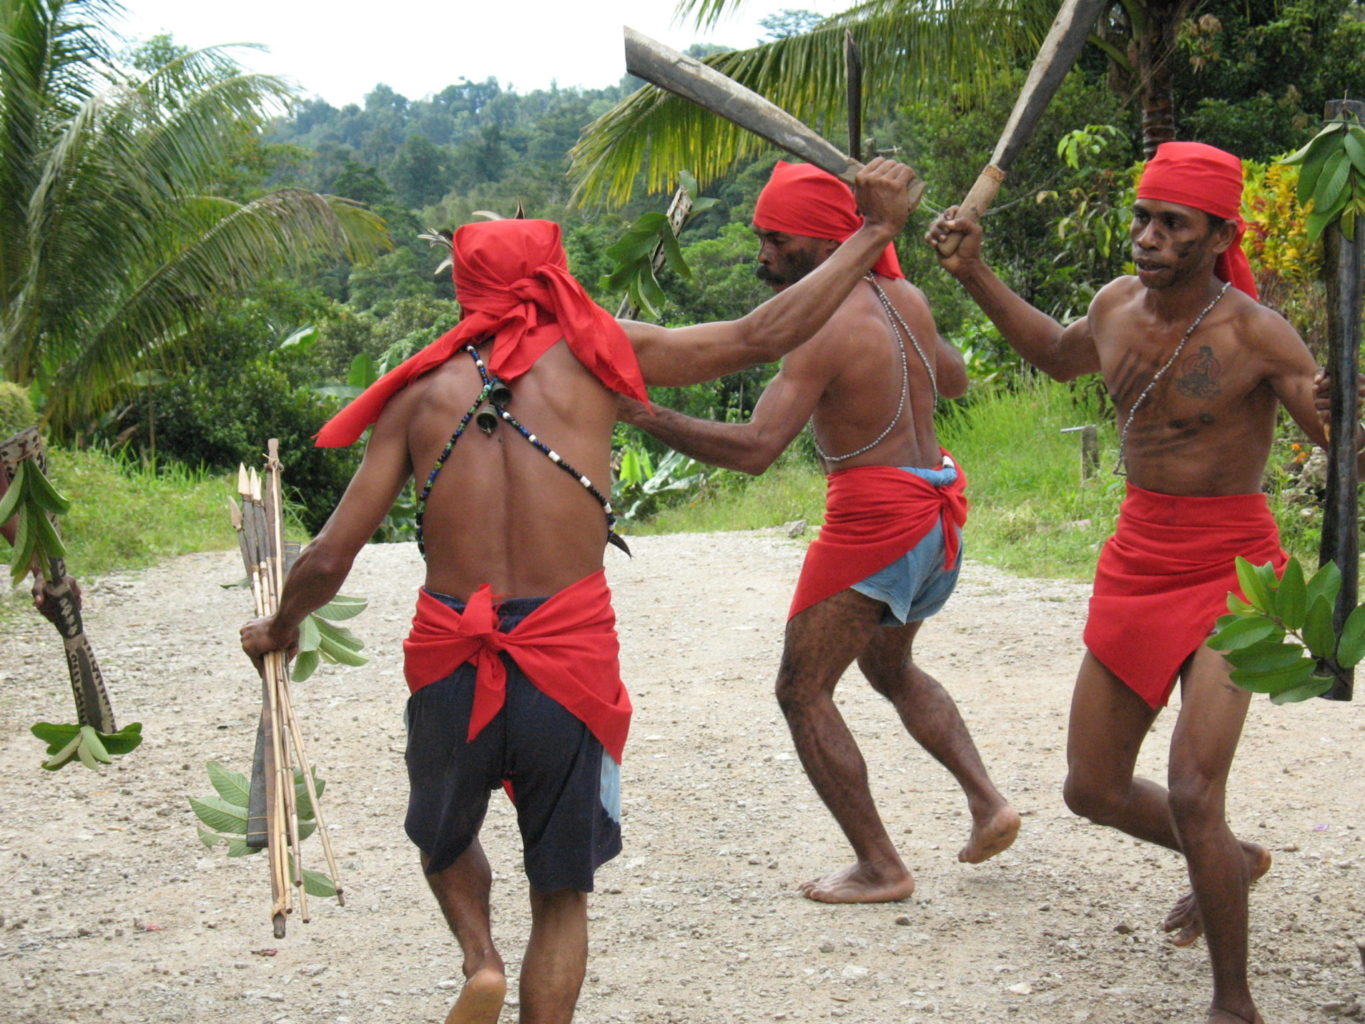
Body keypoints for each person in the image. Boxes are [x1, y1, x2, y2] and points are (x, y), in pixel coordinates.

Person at [240, 157, 918, 1024]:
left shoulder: (415, 395)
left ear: (466, 289)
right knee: (561, 894)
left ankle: (479, 958)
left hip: (452, 655)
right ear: (550, 272)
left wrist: (278, 624)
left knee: (444, 842)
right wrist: (873, 231)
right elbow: (757, 335)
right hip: (567, 662)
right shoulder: (602, 355)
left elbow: (332, 554)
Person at [925, 140, 1331, 1024]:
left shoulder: (1258, 334)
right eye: (1142, 217)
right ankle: (1232, 859)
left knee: (1192, 789)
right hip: (1139, 555)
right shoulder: (1114, 306)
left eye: (1170, 223)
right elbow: (1058, 355)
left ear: (1218, 236)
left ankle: (1233, 1003)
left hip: (1235, 571)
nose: (1146, 236)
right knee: (1091, 789)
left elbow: (1340, 445)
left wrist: (1345, 411)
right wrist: (974, 274)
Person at [617, 160, 1020, 905]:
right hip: (933, 512)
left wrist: (645, 415)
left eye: (776, 238)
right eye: (758, 236)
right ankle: (987, 801)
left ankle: (879, 866)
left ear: (828, 237)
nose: (763, 253)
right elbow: (954, 377)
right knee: (889, 670)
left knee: (801, 690)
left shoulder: (819, 323)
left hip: (877, 520)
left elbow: (756, 450)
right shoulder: (905, 296)